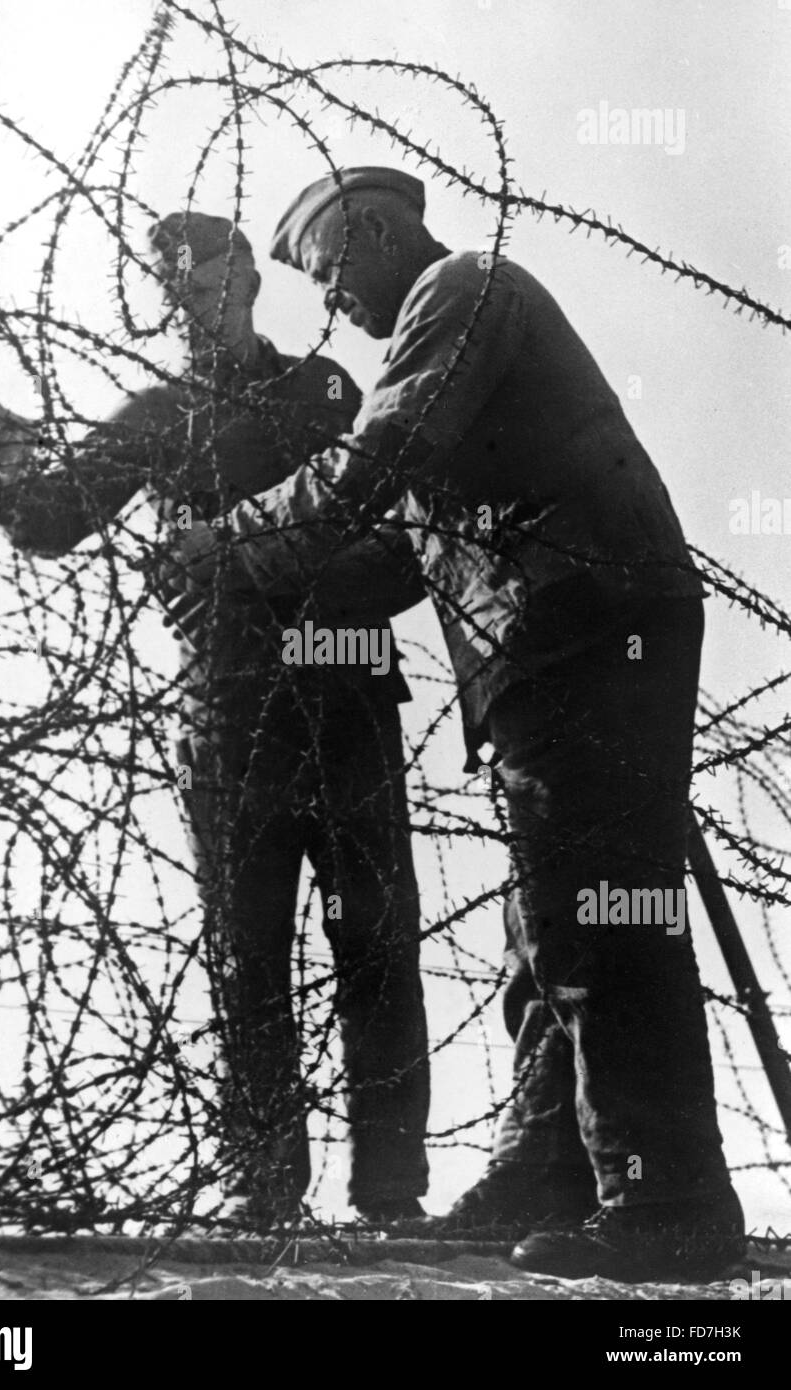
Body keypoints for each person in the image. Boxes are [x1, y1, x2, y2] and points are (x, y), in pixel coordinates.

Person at [166, 169, 745, 1280]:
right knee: (550, 924)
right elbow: (394, 558)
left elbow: (373, 464)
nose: (336, 308)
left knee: (600, 914)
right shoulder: (442, 346)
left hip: (585, 626)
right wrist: (244, 581)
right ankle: (551, 1169)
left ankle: (667, 1196)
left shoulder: (461, 293)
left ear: (378, 235)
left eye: (333, 277)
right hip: (554, 638)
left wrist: (227, 540)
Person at [0, 211, 432, 1230]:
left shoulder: (323, 393)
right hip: (233, 713)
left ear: (243, 278)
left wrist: (260, 566)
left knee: (375, 943)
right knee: (246, 954)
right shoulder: (159, 414)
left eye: (198, 280)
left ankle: (390, 1192)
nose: (183, 302)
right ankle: (264, 1185)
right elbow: (57, 515)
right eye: (166, 289)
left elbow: (404, 533)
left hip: (345, 699)